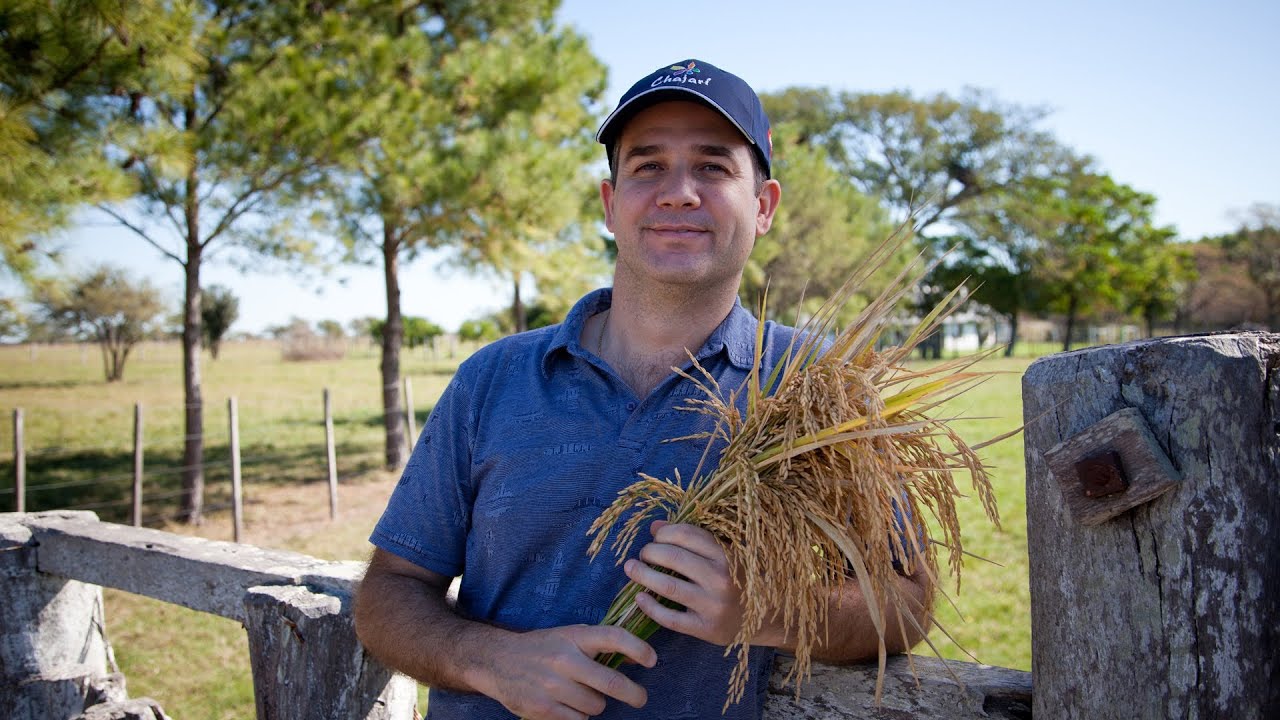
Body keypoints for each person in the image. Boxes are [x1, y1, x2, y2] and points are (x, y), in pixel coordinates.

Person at [353, 58, 933, 720]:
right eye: (648, 165)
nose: (678, 192)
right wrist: (491, 660)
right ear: (610, 203)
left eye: (713, 167)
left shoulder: (818, 387)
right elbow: (390, 591)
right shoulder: (492, 379)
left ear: (764, 206)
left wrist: (767, 610)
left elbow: (908, 601)